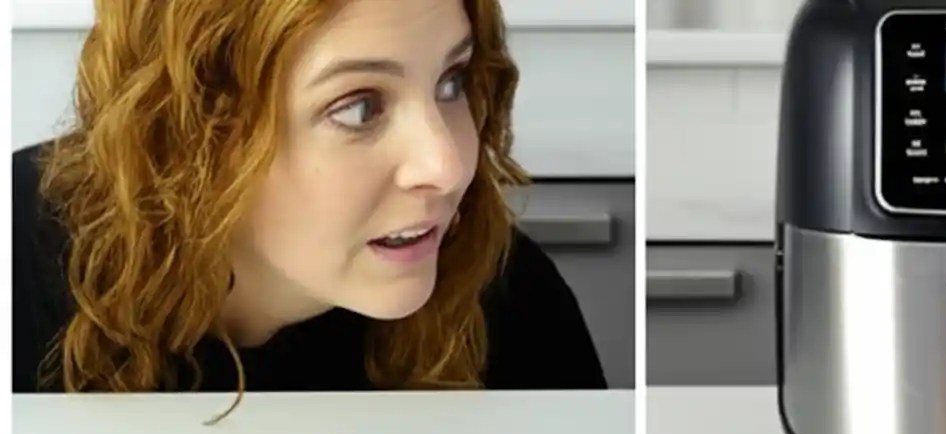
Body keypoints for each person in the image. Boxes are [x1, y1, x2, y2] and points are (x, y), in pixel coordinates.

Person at [12, 0, 608, 412]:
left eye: (451, 81)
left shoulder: (510, 295)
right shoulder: (22, 265)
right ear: (193, 129)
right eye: (359, 107)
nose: (447, 166)